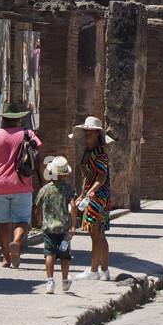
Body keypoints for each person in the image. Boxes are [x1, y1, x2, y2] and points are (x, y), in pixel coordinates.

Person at [0, 105, 42, 269]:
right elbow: (38, 157)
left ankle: (6, 258)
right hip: (21, 184)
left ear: (3, 119)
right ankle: (16, 242)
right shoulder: (28, 134)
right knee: (21, 220)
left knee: (2, 222)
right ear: (19, 118)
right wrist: (42, 180)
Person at [72, 116, 113, 281]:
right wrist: (82, 193)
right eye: (86, 131)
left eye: (91, 131)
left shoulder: (100, 155)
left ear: (98, 134)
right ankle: (105, 270)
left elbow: (102, 177)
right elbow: (86, 178)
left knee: (95, 234)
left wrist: (92, 191)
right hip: (93, 195)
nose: (88, 133)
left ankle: (94, 271)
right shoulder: (88, 153)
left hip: (97, 197)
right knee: (99, 234)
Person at [34, 155, 76, 293]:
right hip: (64, 228)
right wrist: (73, 225)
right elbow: (73, 206)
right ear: (65, 174)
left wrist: (40, 221)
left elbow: (37, 208)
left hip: (48, 227)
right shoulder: (69, 189)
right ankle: (64, 281)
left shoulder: (44, 189)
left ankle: (50, 281)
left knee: (49, 253)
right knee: (65, 255)